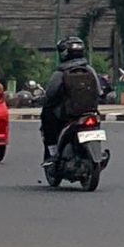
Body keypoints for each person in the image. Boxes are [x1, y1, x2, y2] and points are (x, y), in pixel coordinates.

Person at [40, 37, 103, 166]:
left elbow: (50, 94)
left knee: (47, 116)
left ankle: (52, 153)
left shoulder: (60, 73)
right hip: (90, 110)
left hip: (67, 114)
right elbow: (99, 91)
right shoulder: (90, 70)